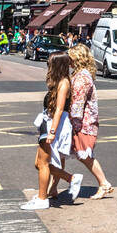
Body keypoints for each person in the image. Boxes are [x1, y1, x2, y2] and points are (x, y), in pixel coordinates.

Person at [22, 52, 82, 211]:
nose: (48, 67)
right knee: (39, 163)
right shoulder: (59, 82)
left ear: (57, 65)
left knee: (43, 163)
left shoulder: (63, 83)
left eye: (50, 64)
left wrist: (52, 132)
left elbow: (59, 110)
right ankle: (71, 178)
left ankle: (42, 199)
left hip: (53, 126)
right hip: (47, 123)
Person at [66, 44, 114, 199]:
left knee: (85, 155)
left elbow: (77, 104)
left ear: (77, 59)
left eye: (70, 57)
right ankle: (52, 188)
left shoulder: (81, 78)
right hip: (83, 122)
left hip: (82, 123)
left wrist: (71, 120)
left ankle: (104, 183)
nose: (68, 61)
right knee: (67, 154)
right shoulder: (82, 74)